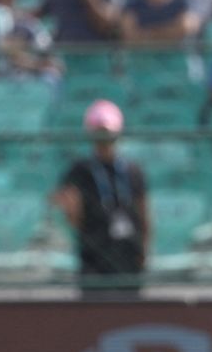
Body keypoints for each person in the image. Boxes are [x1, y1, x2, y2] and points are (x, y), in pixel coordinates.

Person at [53, 100, 149, 299]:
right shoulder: (80, 170)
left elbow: (144, 213)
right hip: (94, 255)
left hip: (128, 254)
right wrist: (72, 210)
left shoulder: (132, 170)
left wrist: (144, 250)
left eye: (108, 133)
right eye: (100, 133)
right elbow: (64, 205)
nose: (104, 140)